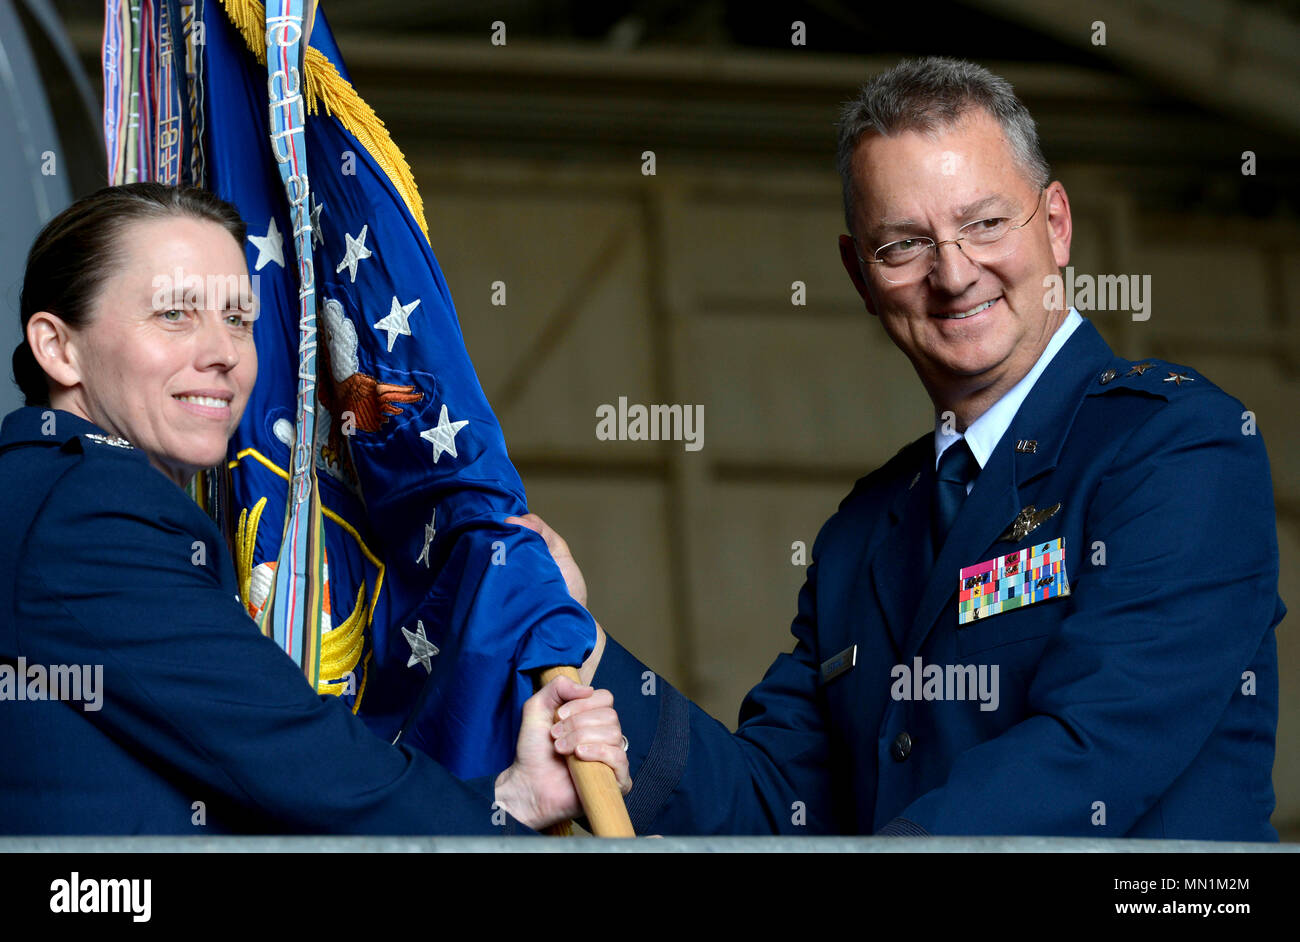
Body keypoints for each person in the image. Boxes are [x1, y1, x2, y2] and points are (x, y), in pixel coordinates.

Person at [513, 57, 1284, 839]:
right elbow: (774, 805)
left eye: (985, 223)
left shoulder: (1176, 448)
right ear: (859, 273)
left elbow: (1094, 750)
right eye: (905, 245)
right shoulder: (866, 531)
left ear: (1055, 225)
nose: (953, 274)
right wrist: (583, 646)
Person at [0, 182, 629, 835]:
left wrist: (511, 796)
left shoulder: (51, 487)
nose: (224, 353)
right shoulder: (83, 504)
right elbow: (290, 758)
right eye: (175, 315)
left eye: (238, 319)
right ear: (58, 348)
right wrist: (500, 814)